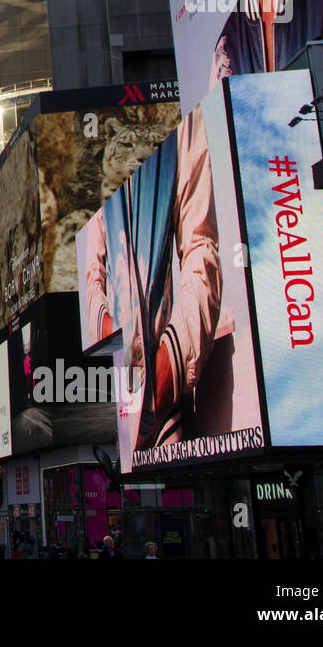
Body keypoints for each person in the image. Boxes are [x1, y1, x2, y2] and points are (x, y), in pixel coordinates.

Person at [83, 109, 221, 455]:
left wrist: (164, 375)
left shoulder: (186, 133)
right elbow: (92, 278)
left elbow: (202, 250)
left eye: (147, 148)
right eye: (127, 146)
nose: (140, 155)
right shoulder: (102, 203)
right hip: (126, 380)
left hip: (168, 384)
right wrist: (114, 339)